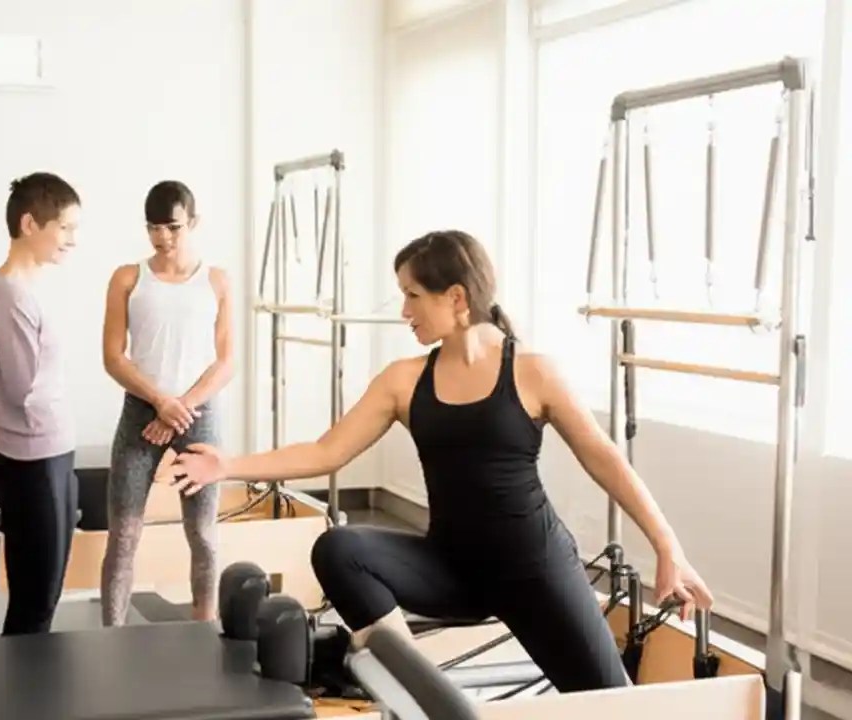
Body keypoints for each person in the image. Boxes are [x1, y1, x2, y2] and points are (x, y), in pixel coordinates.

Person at [162, 229, 715, 694]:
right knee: (339, 547)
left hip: (536, 571)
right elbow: (326, 451)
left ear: (455, 297)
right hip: (451, 568)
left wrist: (669, 549)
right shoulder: (405, 380)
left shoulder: (532, 373)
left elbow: (605, 459)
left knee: (608, 705)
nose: (404, 311)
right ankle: (414, 685)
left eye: (412, 296)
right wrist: (226, 466)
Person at [99, 181, 233, 626]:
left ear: (192, 223)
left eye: (172, 226)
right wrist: (159, 402)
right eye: (154, 227)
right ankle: (112, 634)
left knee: (203, 533)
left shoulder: (216, 280)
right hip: (142, 412)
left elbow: (227, 361)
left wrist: (180, 409)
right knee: (124, 534)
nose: (163, 237)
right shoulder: (127, 278)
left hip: (199, 413)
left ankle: (205, 627)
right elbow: (113, 357)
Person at [0, 172, 82, 635]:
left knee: (44, 598)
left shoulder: (27, 289)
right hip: (32, 460)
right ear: (29, 224)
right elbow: (27, 390)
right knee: (35, 604)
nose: (72, 241)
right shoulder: (8, 295)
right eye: (65, 228)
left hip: (50, 453)